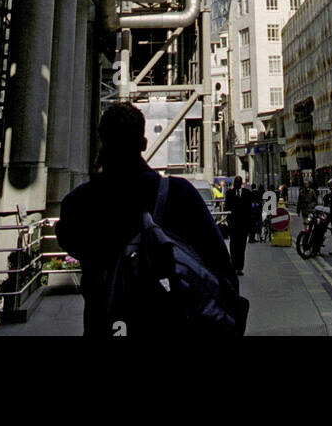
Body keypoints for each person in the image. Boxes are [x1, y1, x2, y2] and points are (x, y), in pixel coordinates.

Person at [55, 102, 242, 336]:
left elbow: (68, 239)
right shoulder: (179, 194)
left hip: (105, 324)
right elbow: (221, 267)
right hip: (168, 324)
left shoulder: (79, 203)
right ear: (143, 144)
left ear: (102, 142)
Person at [224, 176, 252, 275]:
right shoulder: (229, 193)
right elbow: (226, 208)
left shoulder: (247, 193)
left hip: (243, 225)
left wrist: (250, 225)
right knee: (233, 246)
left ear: (241, 183)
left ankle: (240, 267)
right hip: (233, 225)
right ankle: (234, 266)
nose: (237, 184)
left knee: (242, 246)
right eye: (236, 182)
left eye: (239, 182)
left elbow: (249, 210)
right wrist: (228, 220)